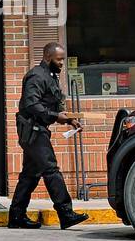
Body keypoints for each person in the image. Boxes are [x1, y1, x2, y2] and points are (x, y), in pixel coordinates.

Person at [9, 42, 91, 230]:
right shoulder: (36, 76)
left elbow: (53, 103)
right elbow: (32, 105)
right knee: (51, 170)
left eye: (63, 59)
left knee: (30, 174)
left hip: (38, 129)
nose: (62, 63)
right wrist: (56, 116)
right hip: (33, 130)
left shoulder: (51, 76)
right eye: (59, 59)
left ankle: (16, 217)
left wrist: (69, 119)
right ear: (47, 57)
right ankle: (66, 213)